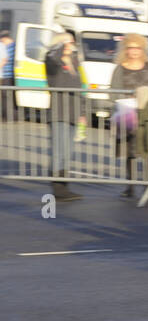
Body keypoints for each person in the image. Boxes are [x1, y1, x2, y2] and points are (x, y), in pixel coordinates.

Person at [110, 33, 148, 198]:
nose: (134, 52)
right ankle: (130, 186)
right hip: (127, 114)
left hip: (147, 114)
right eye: (130, 48)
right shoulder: (119, 68)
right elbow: (113, 93)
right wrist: (124, 100)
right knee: (130, 150)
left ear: (142, 49)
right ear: (125, 50)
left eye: (137, 48)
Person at [44, 33, 84, 200]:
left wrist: (82, 113)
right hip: (58, 112)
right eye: (66, 42)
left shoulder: (74, 62)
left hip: (73, 112)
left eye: (71, 42)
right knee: (58, 151)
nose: (70, 45)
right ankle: (57, 188)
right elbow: (52, 60)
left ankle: (64, 186)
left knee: (68, 152)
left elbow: (79, 89)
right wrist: (60, 47)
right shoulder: (52, 61)